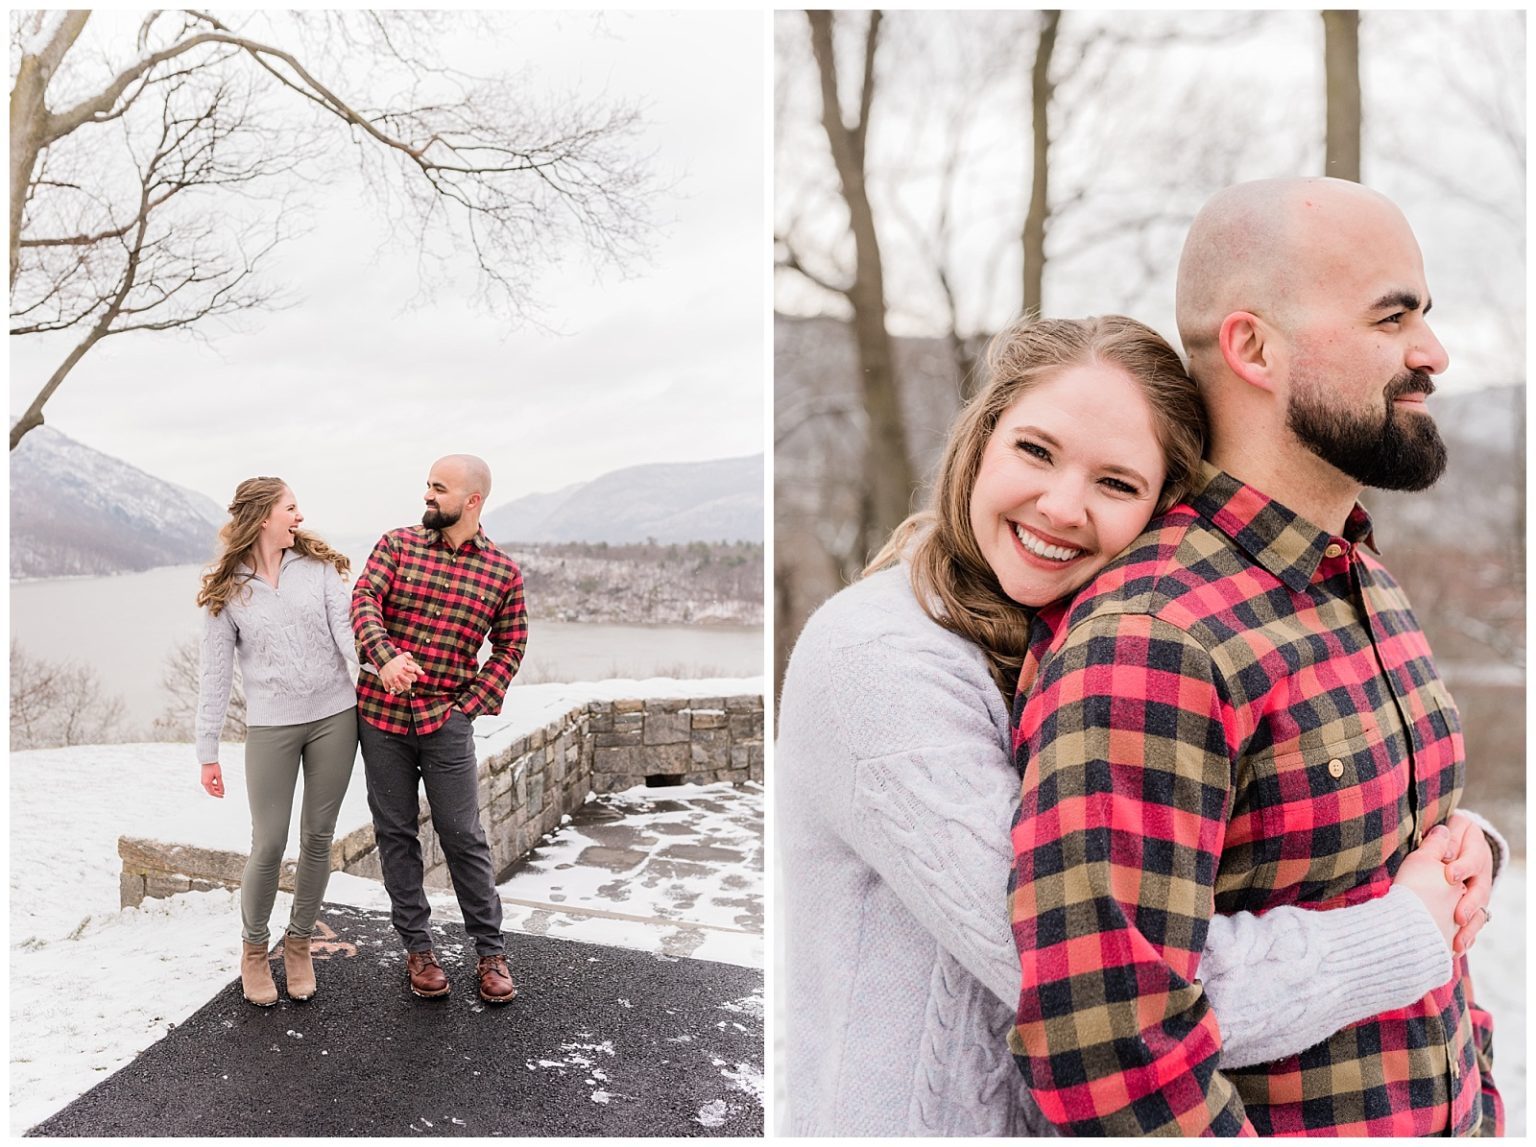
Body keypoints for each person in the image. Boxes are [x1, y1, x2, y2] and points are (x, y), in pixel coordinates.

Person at [778, 315, 1501, 1136]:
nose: (1061, 506)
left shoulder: (1073, 635)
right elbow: (1094, 985)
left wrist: (1450, 847)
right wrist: (1406, 930)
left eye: (1116, 483)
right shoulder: (876, 660)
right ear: (980, 440)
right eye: (1035, 451)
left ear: (1161, 507)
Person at [1009, 179, 1503, 1135]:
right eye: (1392, 317)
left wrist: (1478, 1100)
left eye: (1425, 316)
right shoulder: (1154, 638)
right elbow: (1109, 1056)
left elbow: (1429, 924)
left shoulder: (1356, 573)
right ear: (1254, 349)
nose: (1431, 353)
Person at [351, 454, 527, 1004]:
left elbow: (511, 645)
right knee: (396, 833)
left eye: (440, 489)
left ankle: (490, 953)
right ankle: (419, 951)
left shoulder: (501, 573)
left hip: (446, 722)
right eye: (428, 486)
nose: (428, 496)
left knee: (463, 835)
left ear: (472, 501)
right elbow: (363, 602)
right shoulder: (396, 545)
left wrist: (468, 705)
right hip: (380, 716)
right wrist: (383, 658)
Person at [196, 477, 360, 1006]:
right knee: (268, 842)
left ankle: (299, 944)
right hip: (271, 726)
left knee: (318, 836)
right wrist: (207, 751)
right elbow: (216, 675)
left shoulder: (320, 572)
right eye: (291, 508)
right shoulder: (228, 589)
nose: (300, 516)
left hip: (336, 717)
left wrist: (379, 689)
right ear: (264, 515)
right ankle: (252, 951)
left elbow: (348, 640)